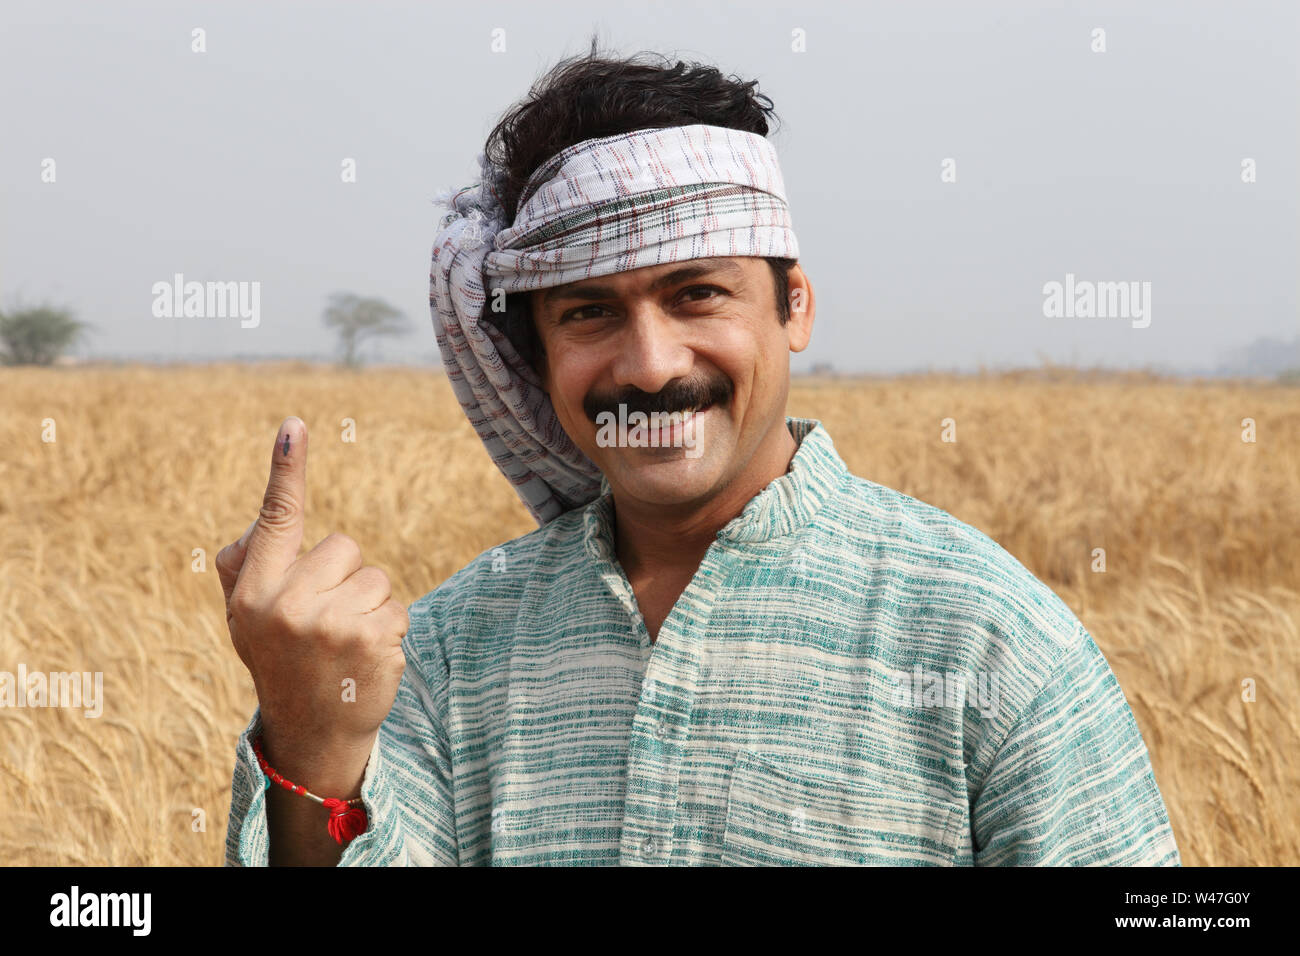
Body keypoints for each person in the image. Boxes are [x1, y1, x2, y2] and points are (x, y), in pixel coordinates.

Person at [218, 45, 1180, 866]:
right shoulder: (447, 654)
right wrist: (313, 740)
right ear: (540, 352)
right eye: (589, 311)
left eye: (697, 295)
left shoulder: (988, 640)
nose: (649, 367)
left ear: (793, 305)